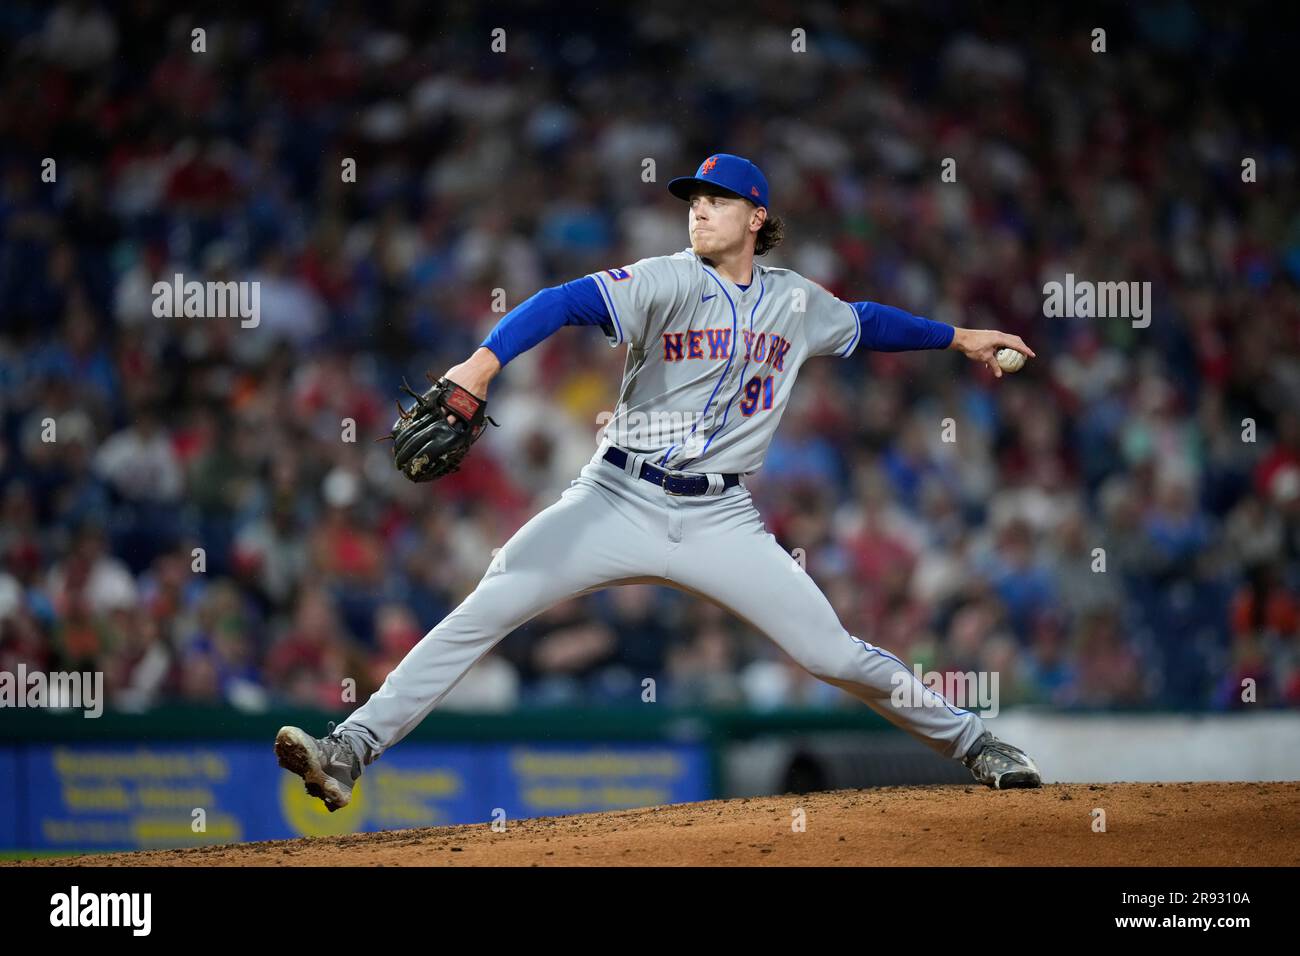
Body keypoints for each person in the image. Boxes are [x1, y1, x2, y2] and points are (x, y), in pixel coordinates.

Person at [275, 153, 1043, 811]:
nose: (699, 212)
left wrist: (960, 337)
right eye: (693, 202)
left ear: (756, 217)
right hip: (616, 498)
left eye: (717, 202)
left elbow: (866, 321)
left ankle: (979, 746)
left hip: (722, 519)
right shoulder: (665, 280)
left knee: (832, 655)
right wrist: (481, 365)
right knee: (490, 603)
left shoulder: (796, 301)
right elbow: (560, 301)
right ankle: (350, 749)